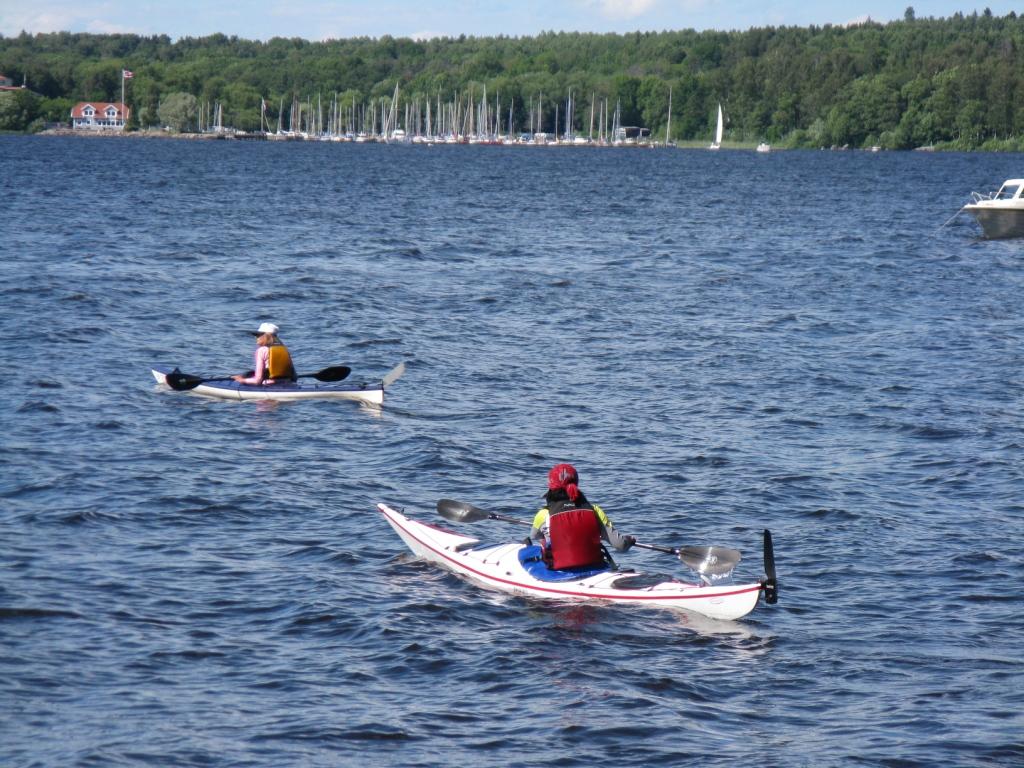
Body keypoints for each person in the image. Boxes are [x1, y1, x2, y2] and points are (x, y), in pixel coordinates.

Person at [529, 463, 635, 570]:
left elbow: (534, 536)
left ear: (551, 486)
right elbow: (620, 545)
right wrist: (629, 540)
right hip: (595, 567)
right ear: (576, 482)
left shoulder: (543, 514)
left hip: (559, 570)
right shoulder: (595, 511)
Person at [232, 322, 296, 385]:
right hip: (288, 384)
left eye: (258, 335)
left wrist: (242, 380)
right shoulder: (284, 349)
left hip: (269, 385)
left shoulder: (262, 351)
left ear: (266, 336)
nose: (256, 337)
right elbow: (294, 377)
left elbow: (257, 380)